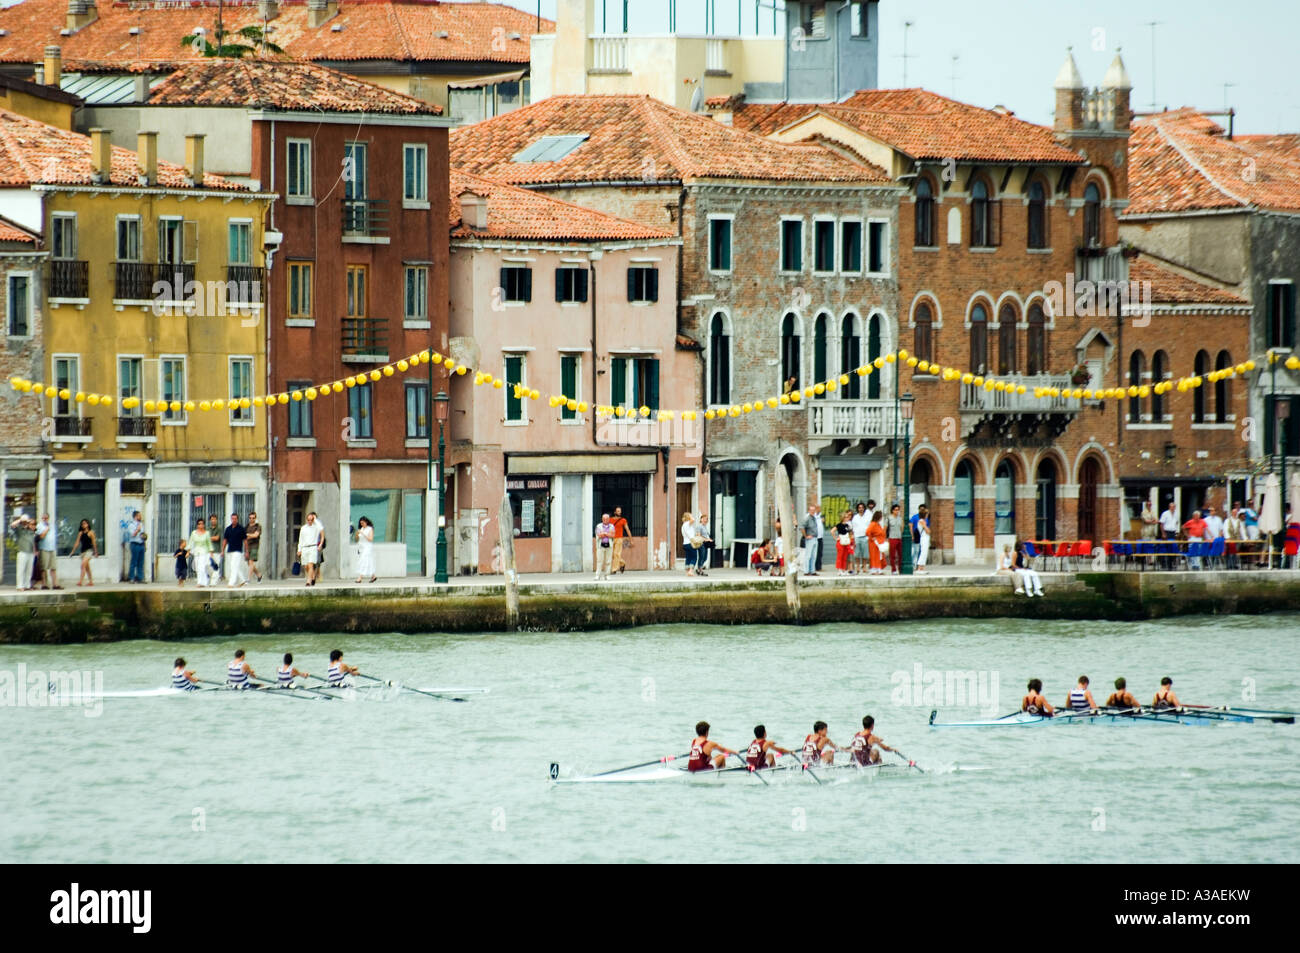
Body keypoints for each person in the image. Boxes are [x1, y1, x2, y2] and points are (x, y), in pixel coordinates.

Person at [10, 512, 36, 591]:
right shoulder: (19, 530)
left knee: (29, 570)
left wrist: (29, 522)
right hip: (22, 551)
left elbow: (34, 527)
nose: (25, 523)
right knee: (21, 569)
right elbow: (12, 525)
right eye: (24, 522)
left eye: (26, 522)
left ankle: (27, 585)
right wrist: (21, 520)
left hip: (30, 552)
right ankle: (20, 586)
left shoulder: (31, 530)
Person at [222, 512, 248, 588]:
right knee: (235, 566)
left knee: (234, 566)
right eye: (232, 518)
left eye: (235, 519)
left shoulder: (241, 529)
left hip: (238, 550)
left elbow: (245, 541)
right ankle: (242, 580)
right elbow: (225, 540)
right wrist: (222, 550)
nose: (234, 520)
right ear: (231, 519)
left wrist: (246, 551)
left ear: (237, 519)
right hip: (230, 550)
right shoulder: (228, 529)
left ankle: (231, 583)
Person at [35, 513, 60, 589]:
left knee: (53, 567)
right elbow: (40, 537)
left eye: (46, 518)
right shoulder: (39, 526)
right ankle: (44, 584)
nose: (44, 519)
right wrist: (46, 530)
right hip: (44, 548)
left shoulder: (52, 525)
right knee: (44, 568)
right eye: (43, 518)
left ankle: (55, 584)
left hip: (52, 548)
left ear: (48, 518)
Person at [297, 511, 322, 586]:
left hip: (313, 547)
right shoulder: (303, 528)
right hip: (305, 548)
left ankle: (308, 581)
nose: (310, 521)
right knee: (306, 566)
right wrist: (299, 549)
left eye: (311, 520)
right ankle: (313, 576)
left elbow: (321, 527)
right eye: (308, 520)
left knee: (311, 564)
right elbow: (301, 539)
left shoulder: (316, 528)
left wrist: (315, 520)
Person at [72, 518, 98, 586]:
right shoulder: (80, 533)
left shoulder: (91, 533)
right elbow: (77, 542)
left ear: (88, 524)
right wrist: (72, 551)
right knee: (87, 567)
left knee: (83, 565)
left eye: (85, 523)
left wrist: (96, 552)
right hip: (82, 552)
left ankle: (80, 581)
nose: (83, 525)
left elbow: (94, 543)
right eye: (82, 524)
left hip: (89, 551)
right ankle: (91, 581)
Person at [187, 517, 213, 587]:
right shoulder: (194, 533)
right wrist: (188, 552)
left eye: (202, 524)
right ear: (197, 525)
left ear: (204, 525)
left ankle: (200, 582)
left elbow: (209, 543)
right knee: (197, 567)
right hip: (196, 552)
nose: (200, 525)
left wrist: (211, 553)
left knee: (201, 567)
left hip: (204, 552)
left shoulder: (207, 533)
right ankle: (204, 581)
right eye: (199, 524)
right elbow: (190, 542)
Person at [126, 510, 146, 583]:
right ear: (135, 516)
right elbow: (132, 535)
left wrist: (144, 544)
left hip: (141, 544)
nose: (140, 517)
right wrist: (138, 529)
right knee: (134, 561)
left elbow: (143, 535)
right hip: (135, 544)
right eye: (139, 515)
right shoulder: (131, 525)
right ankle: (131, 577)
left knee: (140, 562)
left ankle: (140, 577)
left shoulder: (141, 524)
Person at [850, 501, 870, 574]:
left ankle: (864, 566)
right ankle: (858, 566)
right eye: (859, 508)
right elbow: (852, 527)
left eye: (862, 507)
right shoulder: (855, 517)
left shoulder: (867, 517)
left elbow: (869, 526)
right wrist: (853, 536)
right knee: (857, 553)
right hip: (857, 537)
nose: (861, 509)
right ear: (857, 509)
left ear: (864, 508)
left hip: (865, 537)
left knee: (865, 553)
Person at [354, 515, 375, 583]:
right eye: (361, 523)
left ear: (366, 522)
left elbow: (370, 539)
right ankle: (373, 576)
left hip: (368, 547)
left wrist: (363, 534)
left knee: (363, 561)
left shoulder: (370, 529)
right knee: (368, 562)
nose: (362, 524)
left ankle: (360, 578)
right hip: (362, 548)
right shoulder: (361, 529)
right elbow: (356, 540)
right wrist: (357, 534)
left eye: (363, 523)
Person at [595, 513, 616, 581]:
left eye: (606, 519)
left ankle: (607, 575)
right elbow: (599, 535)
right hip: (600, 546)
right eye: (603, 519)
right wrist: (607, 534)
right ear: (602, 519)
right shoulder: (599, 526)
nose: (605, 520)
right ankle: (598, 575)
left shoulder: (612, 526)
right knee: (599, 561)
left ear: (609, 519)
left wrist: (604, 533)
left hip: (609, 545)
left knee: (608, 561)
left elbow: (612, 535)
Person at [610, 506, 630, 575]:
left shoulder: (623, 520)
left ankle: (614, 569)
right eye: (618, 511)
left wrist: (631, 538)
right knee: (612, 555)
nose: (619, 512)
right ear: (615, 512)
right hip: (612, 538)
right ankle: (622, 563)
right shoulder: (610, 520)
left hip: (619, 538)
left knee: (616, 554)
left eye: (620, 511)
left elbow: (627, 529)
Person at [800, 504, 819, 577]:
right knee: (808, 555)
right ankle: (806, 571)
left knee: (813, 555)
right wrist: (806, 536)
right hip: (810, 539)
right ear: (808, 510)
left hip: (815, 538)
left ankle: (812, 570)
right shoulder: (807, 518)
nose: (813, 511)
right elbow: (801, 527)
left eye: (814, 510)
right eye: (811, 510)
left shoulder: (813, 517)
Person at [834, 509, 854, 576]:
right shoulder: (839, 525)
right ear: (843, 518)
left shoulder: (847, 526)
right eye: (845, 517)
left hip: (846, 542)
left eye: (847, 517)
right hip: (841, 542)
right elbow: (832, 531)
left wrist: (851, 540)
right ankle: (839, 570)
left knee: (845, 557)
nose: (847, 518)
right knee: (840, 556)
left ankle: (843, 569)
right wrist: (836, 538)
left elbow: (850, 533)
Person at [867, 509, 887, 575]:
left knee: (880, 556)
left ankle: (879, 569)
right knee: (874, 556)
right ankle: (874, 569)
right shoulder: (873, 524)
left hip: (879, 543)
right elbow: (867, 532)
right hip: (874, 543)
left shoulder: (878, 524)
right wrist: (871, 538)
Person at [245, 512, 264, 582]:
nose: (251, 519)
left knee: (251, 561)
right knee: (250, 563)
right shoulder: (246, 526)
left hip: (254, 545)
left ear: (255, 518)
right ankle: (259, 575)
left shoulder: (258, 526)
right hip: (248, 546)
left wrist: (248, 535)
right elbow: (244, 537)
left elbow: (256, 535)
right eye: (250, 518)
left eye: (253, 518)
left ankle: (248, 579)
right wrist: (250, 536)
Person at [886, 503, 904, 574]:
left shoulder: (900, 519)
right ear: (892, 511)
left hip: (899, 537)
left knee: (900, 554)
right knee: (892, 555)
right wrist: (885, 538)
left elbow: (901, 528)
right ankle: (893, 569)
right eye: (895, 510)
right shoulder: (889, 518)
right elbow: (885, 528)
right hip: (892, 538)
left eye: (898, 510)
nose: (897, 511)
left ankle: (900, 568)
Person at [914, 506, 931, 573]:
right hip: (924, 538)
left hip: (925, 537)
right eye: (927, 514)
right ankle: (919, 567)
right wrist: (927, 528)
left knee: (925, 552)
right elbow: (928, 531)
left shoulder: (924, 521)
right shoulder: (921, 521)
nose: (927, 515)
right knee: (923, 552)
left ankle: (922, 567)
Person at [207, 514, 222, 581]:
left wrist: (209, 538)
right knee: (209, 565)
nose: (213, 521)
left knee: (216, 566)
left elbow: (217, 538)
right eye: (212, 519)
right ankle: (210, 579)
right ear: (210, 520)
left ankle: (213, 582)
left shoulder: (219, 528)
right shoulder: (208, 529)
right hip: (209, 551)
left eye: (215, 519)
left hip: (217, 550)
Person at [813, 504, 826, 573]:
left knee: (820, 553)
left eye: (819, 508)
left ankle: (819, 567)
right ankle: (813, 567)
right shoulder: (813, 516)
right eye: (817, 508)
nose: (818, 509)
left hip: (820, 537)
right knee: (814, 552)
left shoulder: (821, 515)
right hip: (814, 537)